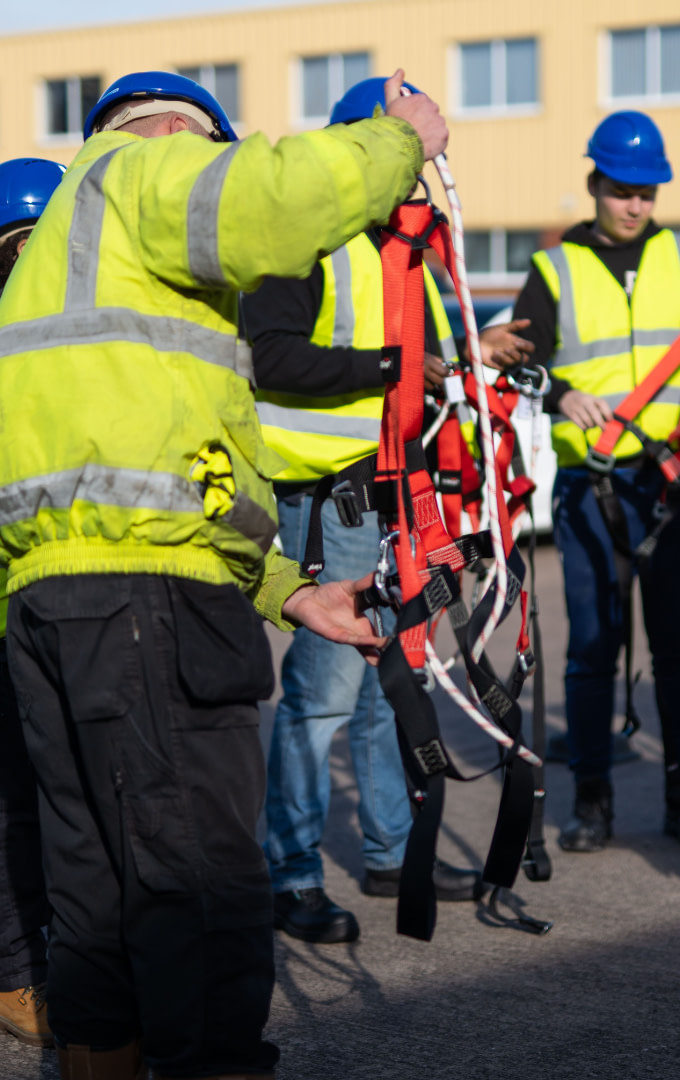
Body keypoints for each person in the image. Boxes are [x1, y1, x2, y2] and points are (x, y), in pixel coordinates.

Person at [0, 69, 446, 1079]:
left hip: (57, 609)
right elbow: (275, 200)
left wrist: (282, 587)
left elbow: (147, 480)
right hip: (147, 608)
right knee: (200, 890)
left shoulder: (62, 270)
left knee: (97, 894)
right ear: (176, 134)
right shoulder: (138, 173)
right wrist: (399, 143)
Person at [241, 76, 481, 947]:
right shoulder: (302, 243)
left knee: (392, 683)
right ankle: (293, 874)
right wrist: (386, 369)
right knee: (324, 694)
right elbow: (268, 358)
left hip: (391, 494)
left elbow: (418, 371)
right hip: (329, 491)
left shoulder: (403, 249)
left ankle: (388, 849)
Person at [505, 110, 680, 854]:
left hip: (675, 483)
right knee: (592, 649)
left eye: (648, 191)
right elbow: (526, 361)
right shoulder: (552, 269)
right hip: (593, 487)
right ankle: (592, 802)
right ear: (595, 184)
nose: (636, 204)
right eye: (623, 190)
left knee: (676, 651)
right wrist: (557, 395)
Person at [0, 157, 65, 1051]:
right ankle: (17, 973)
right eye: (14, 246)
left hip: (70, 603)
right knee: (14, 798)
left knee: (68, 800)